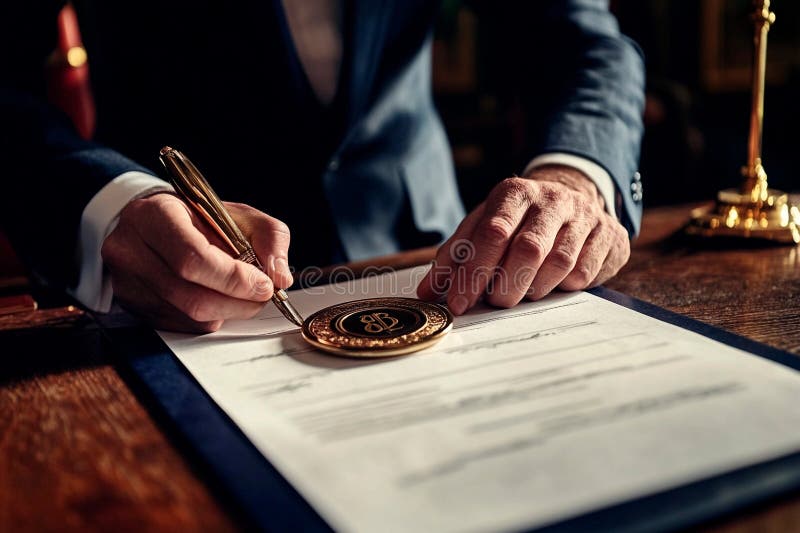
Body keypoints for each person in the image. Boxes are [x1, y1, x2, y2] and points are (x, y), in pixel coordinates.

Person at [0, 1, 644, 332]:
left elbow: (583, 43)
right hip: (163, 281)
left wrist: (575, 176)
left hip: (436, 261)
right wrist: (111, 203)